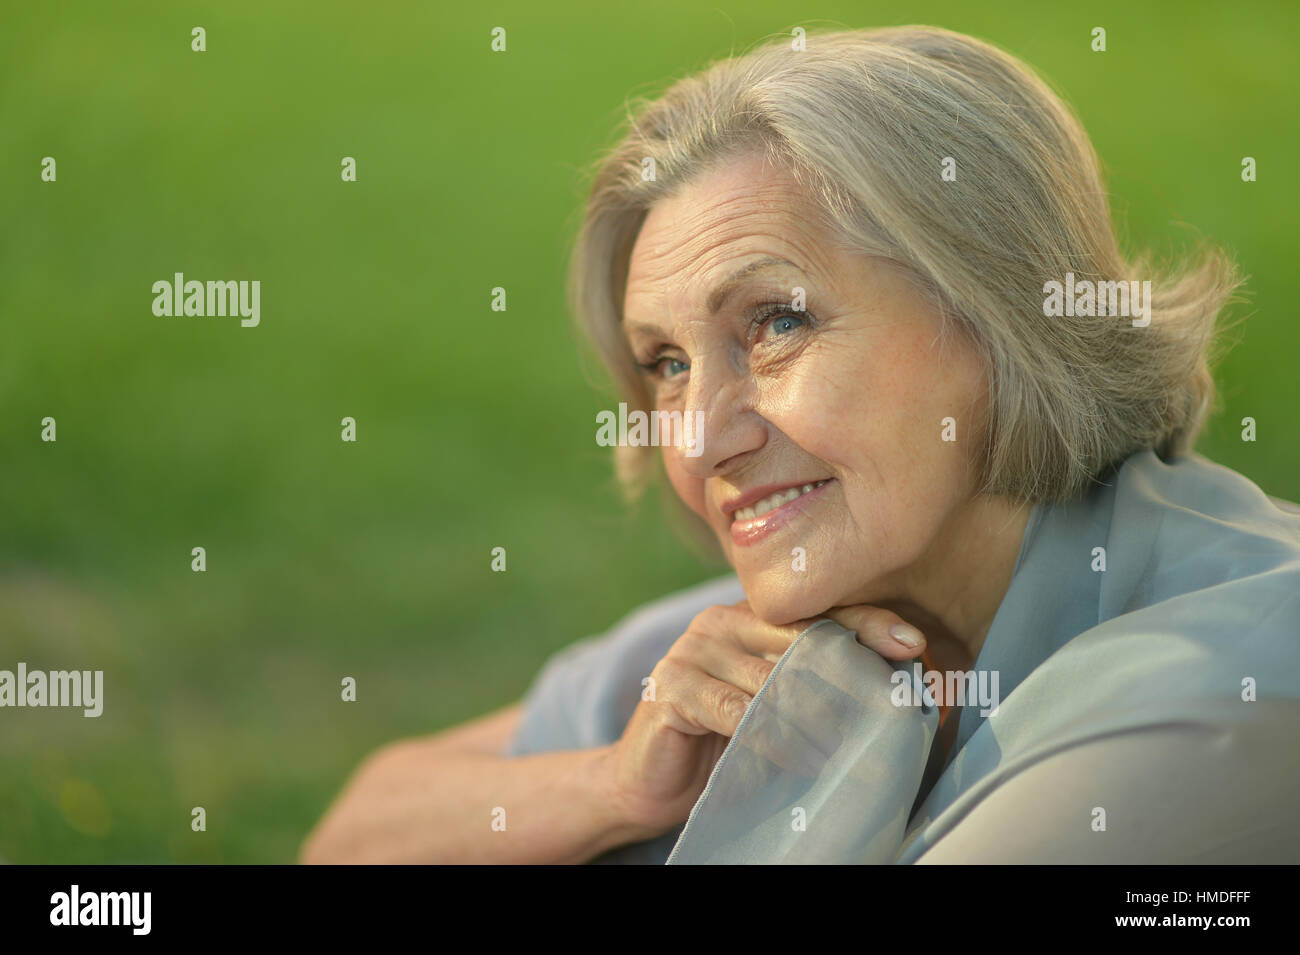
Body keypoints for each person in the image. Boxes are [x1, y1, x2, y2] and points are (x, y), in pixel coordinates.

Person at [300, 25, 1300, 864]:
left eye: (774, 323)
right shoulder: (769, 640)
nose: (696, 438)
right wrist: (612, 789)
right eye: (665, 363)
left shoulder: (1226, 680)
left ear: (998, 314)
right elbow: (350, 838)